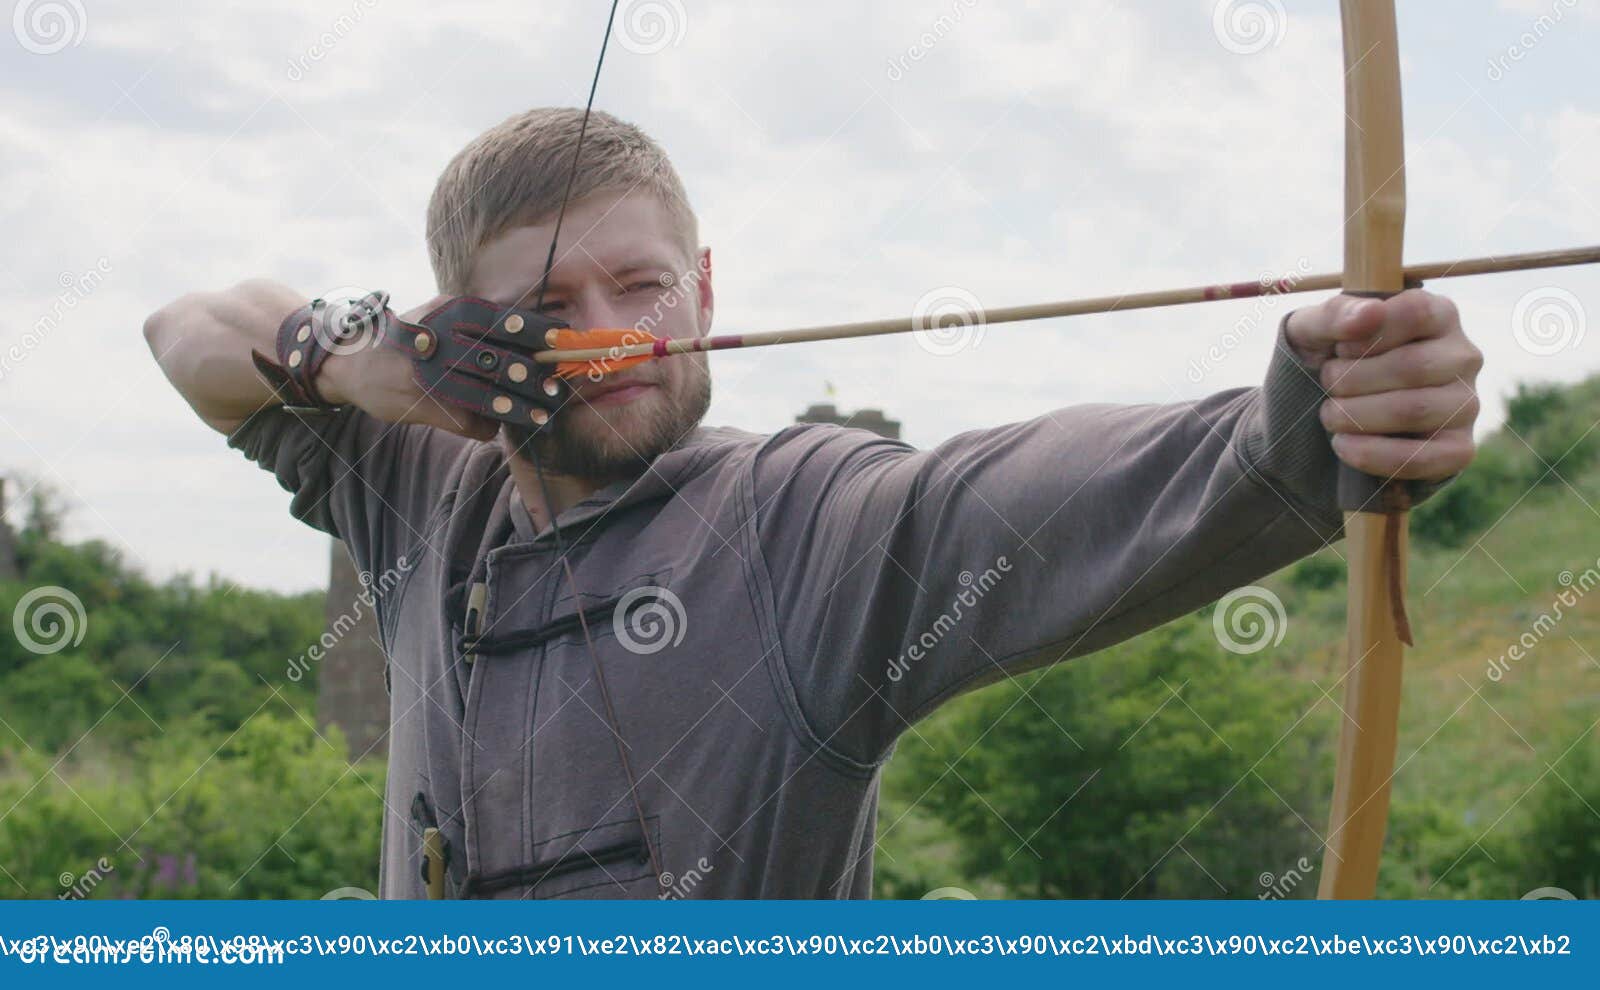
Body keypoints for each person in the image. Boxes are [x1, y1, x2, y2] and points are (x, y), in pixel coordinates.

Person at [143, 108, 1482, 899]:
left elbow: (1005, 502)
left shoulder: (801, 522)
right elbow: (182, 328)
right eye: (549, 306)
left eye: (643, 286)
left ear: (705, 289)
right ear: (464, 332)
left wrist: (1310, 423)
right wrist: (347, 353)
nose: (613, 331)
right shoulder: (420, 483)